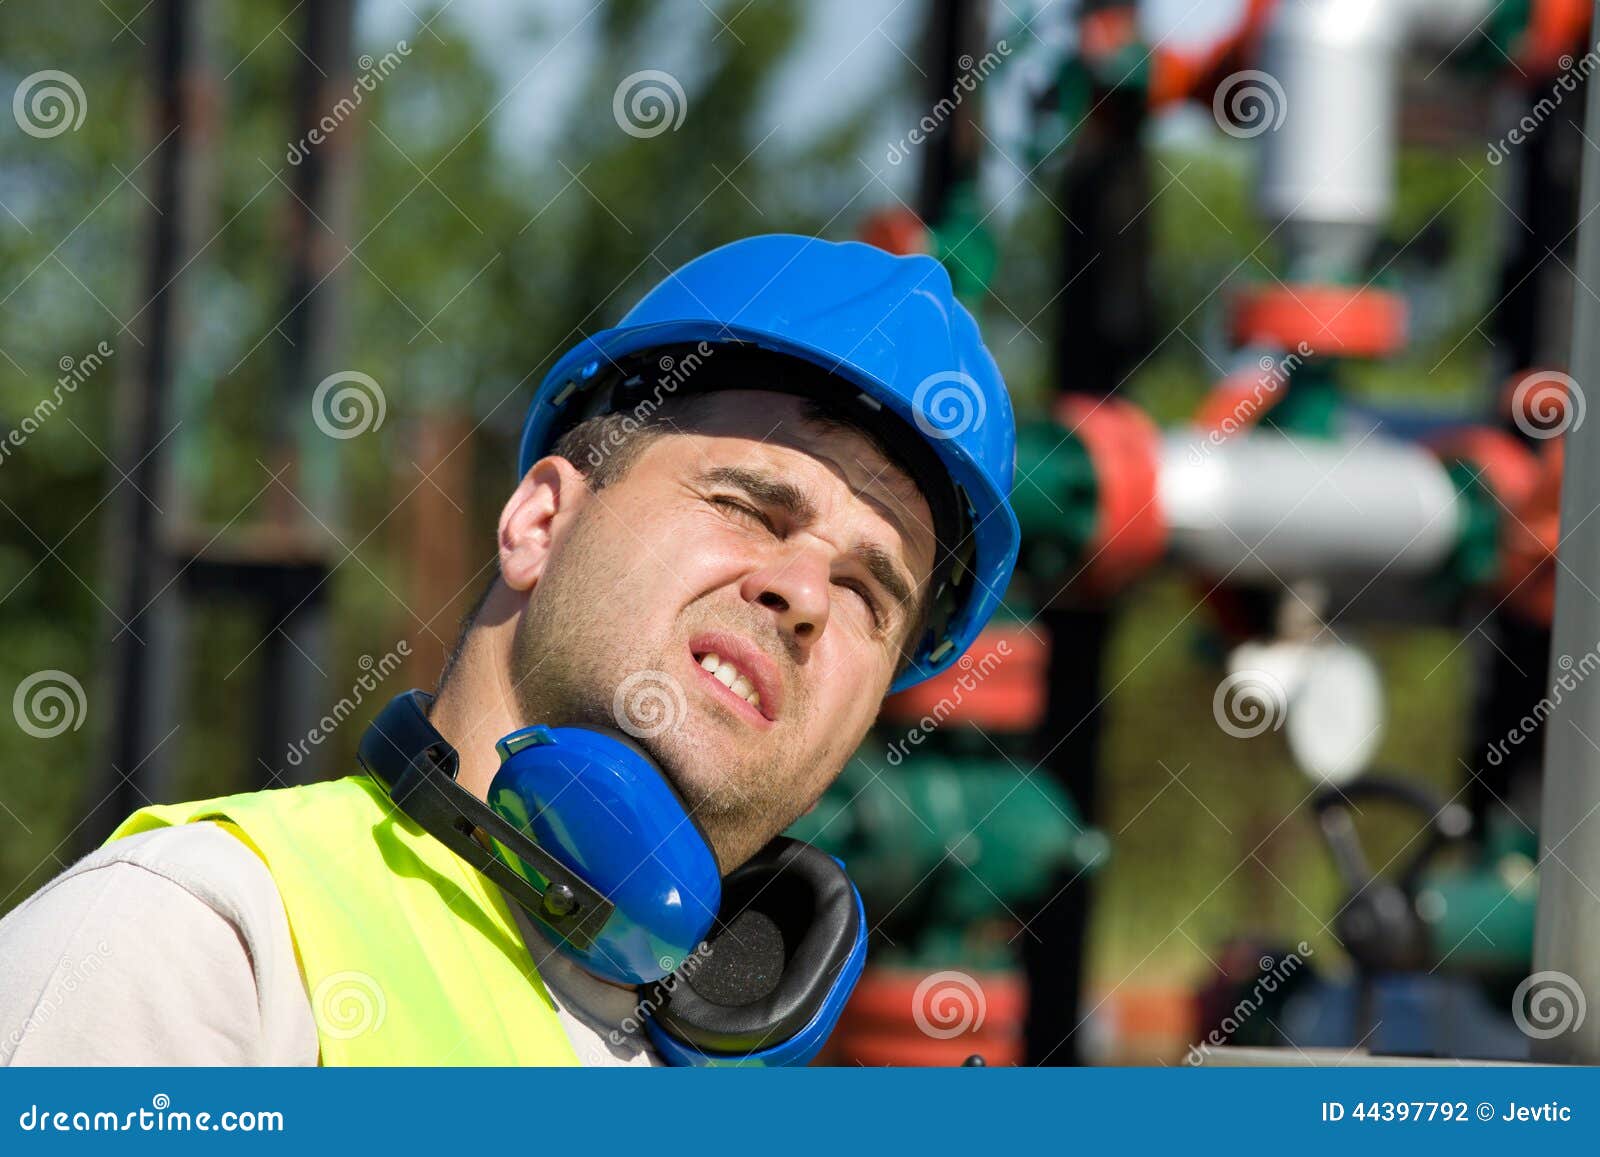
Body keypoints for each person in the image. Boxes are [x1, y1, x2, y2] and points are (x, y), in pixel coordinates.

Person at [0, 234, 1019, 1066]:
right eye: (751, 506)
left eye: (866, 591)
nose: (802, 593)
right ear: (538, 519)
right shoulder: (200, 944)